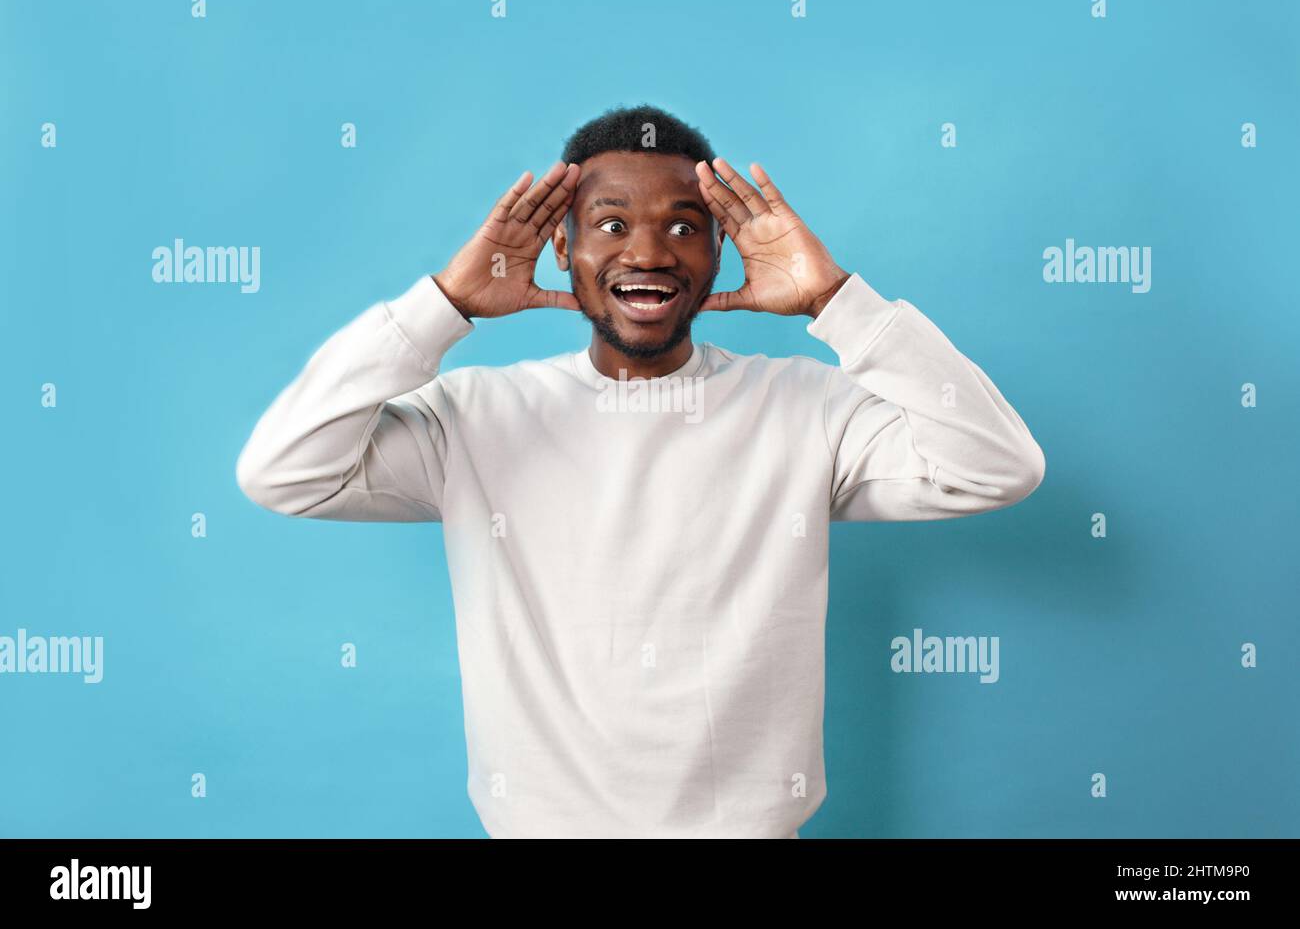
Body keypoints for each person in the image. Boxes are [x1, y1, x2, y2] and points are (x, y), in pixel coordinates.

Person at [235, 104, 1046, 838]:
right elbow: (283, 470)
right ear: (562, 246)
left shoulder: (806, 408)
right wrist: (442, 304)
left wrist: (835, 300)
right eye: (611, 224)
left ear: (723, 247)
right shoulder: (472, 417)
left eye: (685, 227)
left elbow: (997, 465)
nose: (649, 252)